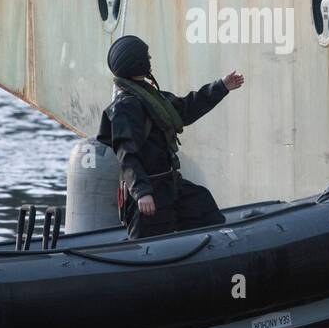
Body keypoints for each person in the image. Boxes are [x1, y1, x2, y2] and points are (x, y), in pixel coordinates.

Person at [95, 35, 244, 240]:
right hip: (149, 192)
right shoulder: (125, 107)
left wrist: (221, 87)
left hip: (170, 184)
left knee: (204, 207)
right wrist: (141, 192)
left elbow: (186, 109)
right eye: (146, 56)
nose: (149, 59)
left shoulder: (152, 97)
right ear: (138, 62)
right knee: (146, 247)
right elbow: (126, 153)